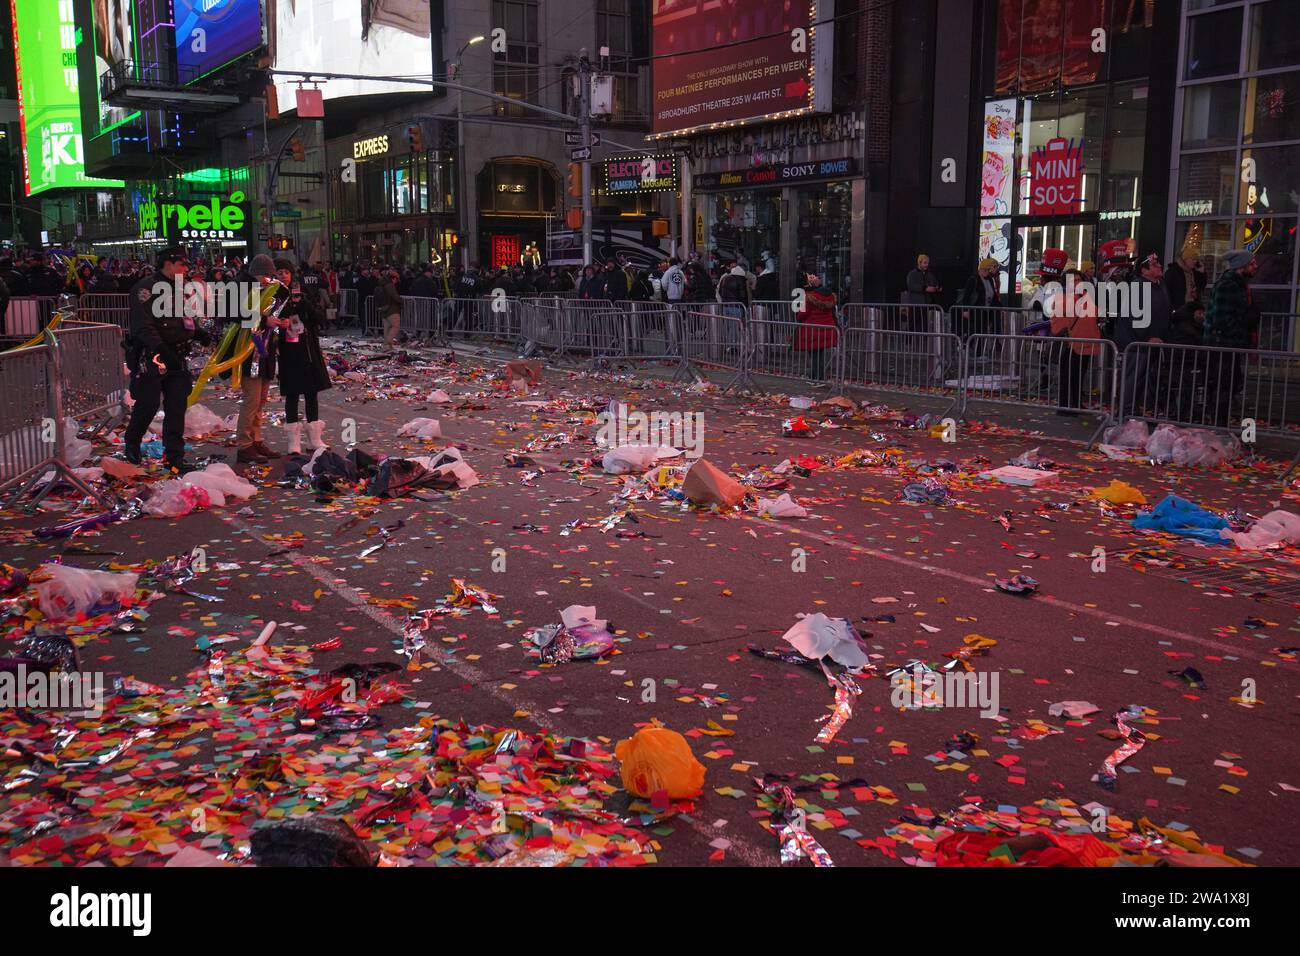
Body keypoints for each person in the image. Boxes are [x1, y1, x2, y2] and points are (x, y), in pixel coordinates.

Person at [121, 247, 203, 473]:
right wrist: (161, 350)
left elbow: (185, 318)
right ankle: (132, 442)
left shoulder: (180, 289)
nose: (186, 270)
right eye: (182, 265)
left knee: (177, 406)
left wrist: (197, 332)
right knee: (147, 404)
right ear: (169, 264)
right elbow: (143, 326)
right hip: (152, 356)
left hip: (177, 355)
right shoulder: (145, 289)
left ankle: (175, 457)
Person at [234, 254, 286, 464]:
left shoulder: (265, 291)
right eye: (267, 276)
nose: (269, 280)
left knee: (261, 399)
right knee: (252, 400)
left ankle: (256, 439)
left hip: (264, 350)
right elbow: (238, 315)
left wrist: (274, 321)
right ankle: (244, 444)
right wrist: (266, 320)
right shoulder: (241, 289)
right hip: (250, 351)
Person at [1203, 248, 1259, 426]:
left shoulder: (1238, 285)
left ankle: (1220, 420)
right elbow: (1223, 319)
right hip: (1223, 344)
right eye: (1251, 264)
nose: (1255, 267)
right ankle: (1218, 422)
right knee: (1223, 384)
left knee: (1229, 383)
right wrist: (1242, 327)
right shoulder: (1228, 285)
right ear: (1241, 266)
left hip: (1228, 343)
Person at [277, 280, 332, 455]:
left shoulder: (305, 296)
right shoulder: (275, 295)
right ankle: (294, 442)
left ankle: (314, 439)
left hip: (309, 353)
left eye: (286, 272)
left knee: (311, 394)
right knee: (292, 396)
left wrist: (304, 305)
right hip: (289, 354)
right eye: (280, 272)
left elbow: (320, 318)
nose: (284, 276)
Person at [1115, 253, 1172, 417]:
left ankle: (1133, 411)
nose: (1159, 266)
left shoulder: (1160, 285)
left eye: (1159, 264)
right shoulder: (1137, 286)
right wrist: (1147, 337)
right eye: (1154, 265)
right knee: (1133, 379)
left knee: (1143, 379)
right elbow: (1134, 315)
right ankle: (1125, 413)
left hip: (1153, 340)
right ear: (1144, 271)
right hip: (1136, 342)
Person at [1049, 268, 1101, 414]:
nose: (1078, 283)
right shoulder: (1063, 299)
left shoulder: (1085, 296)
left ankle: (1076, 403)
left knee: (1079, 375)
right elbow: (1057, 323)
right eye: (1074, 280)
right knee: (1068, 375)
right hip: (1071, 343)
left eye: (1079, 280)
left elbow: (1094, 314)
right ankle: (1065, 406)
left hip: (1085, 342)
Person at [792, 272, 839, 382]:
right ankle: (820, 377)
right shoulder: (830, 297)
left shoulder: (808, 298)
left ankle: (814, 378)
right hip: (827, 329)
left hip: (812, 330)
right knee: (820, 355)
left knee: (813, 356)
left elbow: (801, 315)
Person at [955, 257, 1002, 339]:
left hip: (986, 310)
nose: (987, 272)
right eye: (985, 270)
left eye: (988, 270)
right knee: (976, 331)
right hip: (976, 310)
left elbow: (993, 296)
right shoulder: (973, 279)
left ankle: (974, 347)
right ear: (981, 269)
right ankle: (965, 343)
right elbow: (967, 296)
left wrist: (1001, 307)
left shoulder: (990, 280)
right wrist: (965, 310)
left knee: (981, 332)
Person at [1165, 242, 1208, 309]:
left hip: (1193, 308)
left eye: (1196, 259)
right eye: (1193, 259)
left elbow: (1202, 286)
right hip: (1179, 309)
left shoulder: (1195, 271)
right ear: (1185, 259)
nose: (1195, 261)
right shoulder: (1173, 272)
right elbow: (1166, 291)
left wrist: (1202, 273)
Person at [377, 268, 403, 347]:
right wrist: (401, 301)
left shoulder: (382, 283)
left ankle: (387, 346)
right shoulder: (389, 285)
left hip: (384, 308)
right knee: (396, 326)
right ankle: (388, 342)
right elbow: (394, 296)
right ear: (394, 278)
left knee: (387, 328)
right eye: (396, 280)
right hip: (392, 309)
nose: (396, 282)